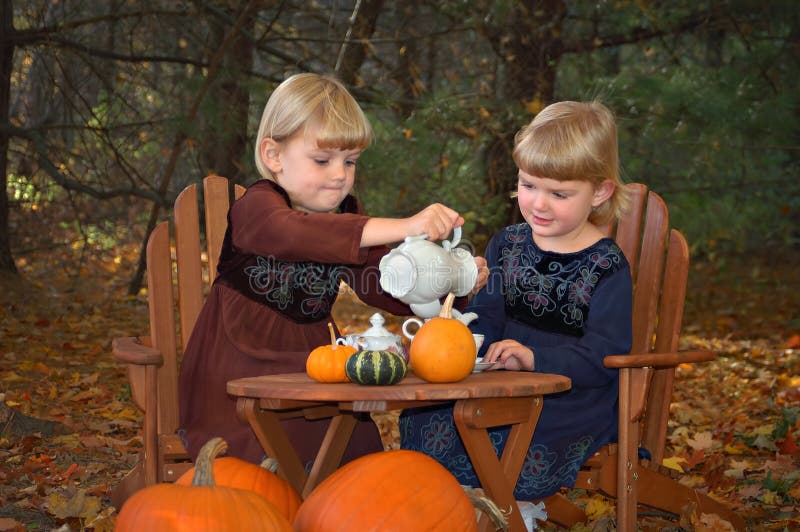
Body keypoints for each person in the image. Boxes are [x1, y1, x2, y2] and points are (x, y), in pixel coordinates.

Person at [178, 73, 485, 467]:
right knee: (279, 453)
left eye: (350, 161)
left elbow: (385, 285)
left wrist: (451, 285)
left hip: (315, 362)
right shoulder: (257, 208)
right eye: (323, 160)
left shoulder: (346, 216)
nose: (340, 173)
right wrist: (407, 225)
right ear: (274, 156)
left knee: (357, 453)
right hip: (239, 369)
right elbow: (294, 234)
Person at [400, 100, 633, 503]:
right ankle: (443, 505)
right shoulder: (507, 244)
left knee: (511, 432)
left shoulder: (606, 264)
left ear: (600, 191)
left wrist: (534, 358)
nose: (538, 204)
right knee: (431, 414)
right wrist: (451, 340)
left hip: (569, 398)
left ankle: (511, 512)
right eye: (529, 185)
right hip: (498, 384)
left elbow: (605, 353)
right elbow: (486, 318)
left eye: (559, 193)